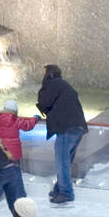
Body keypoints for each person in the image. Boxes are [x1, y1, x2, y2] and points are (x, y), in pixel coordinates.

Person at [37, 64, 87, 205]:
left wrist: (43, 86)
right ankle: (59, 188)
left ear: (49, 75)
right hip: (77, 128)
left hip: (66, 129)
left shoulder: (53, 85)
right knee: (66, 161)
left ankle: (66, 193)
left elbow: (43, 103)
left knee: (62, 162)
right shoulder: (63, 85)